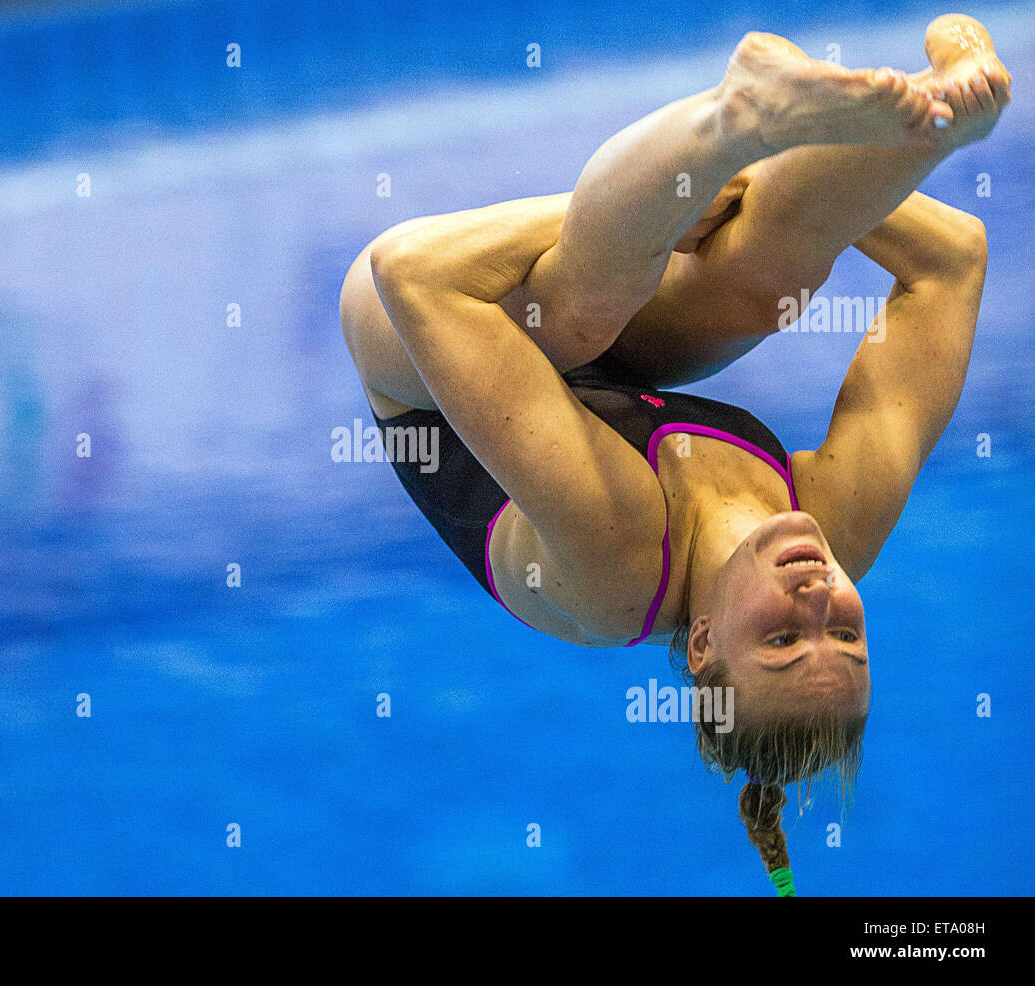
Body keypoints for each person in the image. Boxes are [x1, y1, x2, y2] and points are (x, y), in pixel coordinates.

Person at [338, 15, 1009, 895]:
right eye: (846, 631)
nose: (818, 597)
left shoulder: (618, 562)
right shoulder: (836, 525)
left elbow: (416, 271)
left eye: (780, 637)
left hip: (418, 351)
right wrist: (912, 126)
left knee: (581, 308)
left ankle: (737, 118)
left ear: (699, 645)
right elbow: (952, 263)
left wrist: (698, 197)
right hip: (598, 360)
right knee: (761, 283)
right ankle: (901, 113)